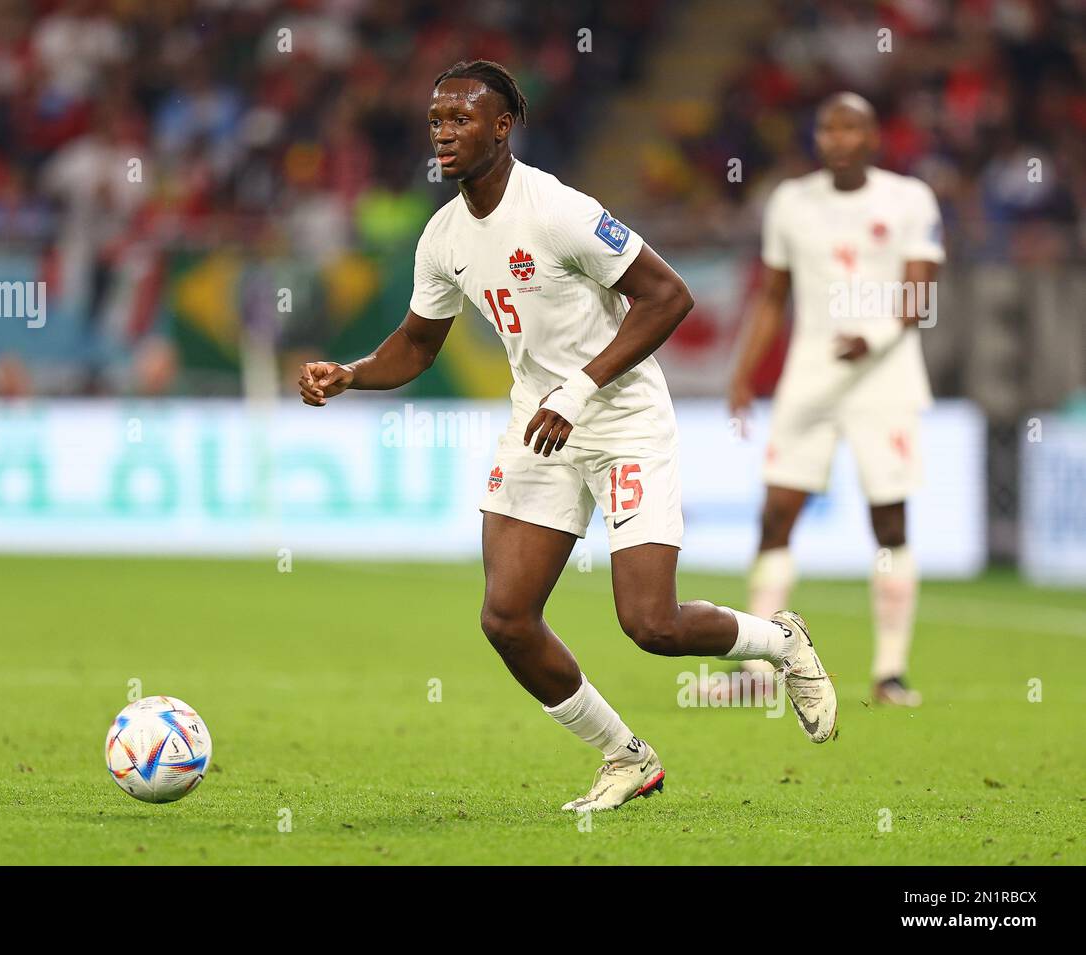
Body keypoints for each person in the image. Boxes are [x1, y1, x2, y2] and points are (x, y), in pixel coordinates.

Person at [299, 61, 837, 813]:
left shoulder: (557, 209)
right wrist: (352, 373)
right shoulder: (444, 235)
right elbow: (418, 345)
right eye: (437, 120)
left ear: (501, 126)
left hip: (620, 418)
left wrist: (580, 388)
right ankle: (627, 756)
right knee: (506, 618)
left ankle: (780, 641)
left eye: (462, 119)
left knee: (650, 623)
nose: (445, 132)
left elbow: (668, 297)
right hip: (540, 424)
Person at [728, 92, 945, 707]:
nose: (839, 138)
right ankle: (760, 669)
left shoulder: (910, 199)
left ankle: (889, 672)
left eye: (852, 128)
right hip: (811, 378)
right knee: (776, 514)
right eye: (828, 128)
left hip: (886, 379)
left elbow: (920, 294)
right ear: (817, 137)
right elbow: (773, 297)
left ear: (874, 138)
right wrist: (743, 371)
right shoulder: (791, 202)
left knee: (889, 521)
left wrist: (870, 334)